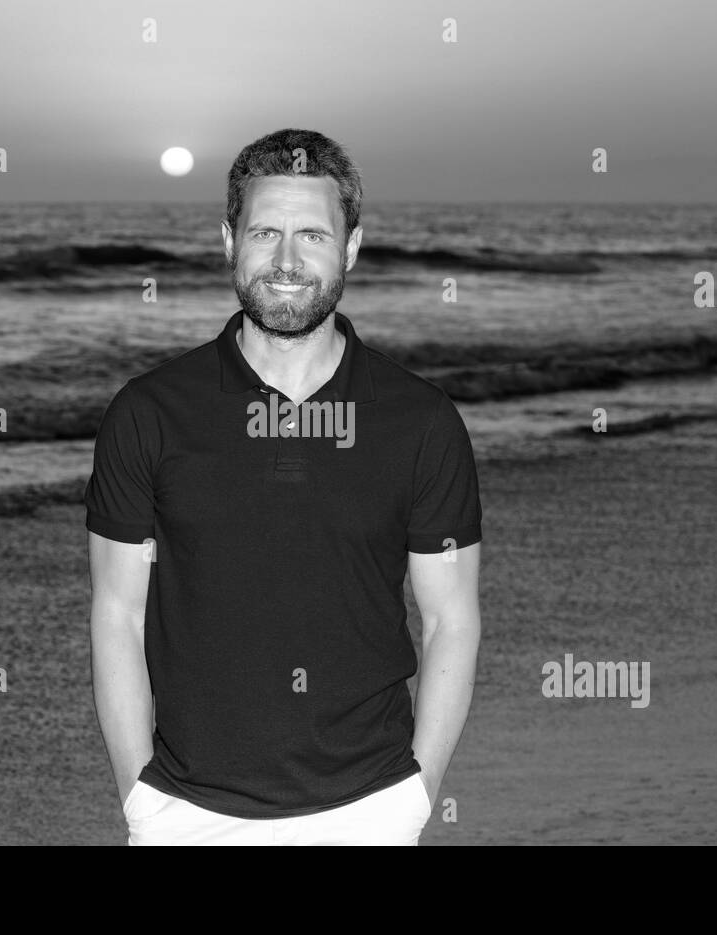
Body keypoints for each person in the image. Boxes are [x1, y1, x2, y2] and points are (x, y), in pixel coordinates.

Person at [86, 128, 482, 845]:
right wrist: (140, 797)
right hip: (186, 814)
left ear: (352, 248)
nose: (288, 261)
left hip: (371, 808)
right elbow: (116, 613)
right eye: (265, 232)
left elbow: (452, 615)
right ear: (228, 240)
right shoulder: (149, 414)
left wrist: (415, 796)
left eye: (313, 235)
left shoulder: (420, 423)